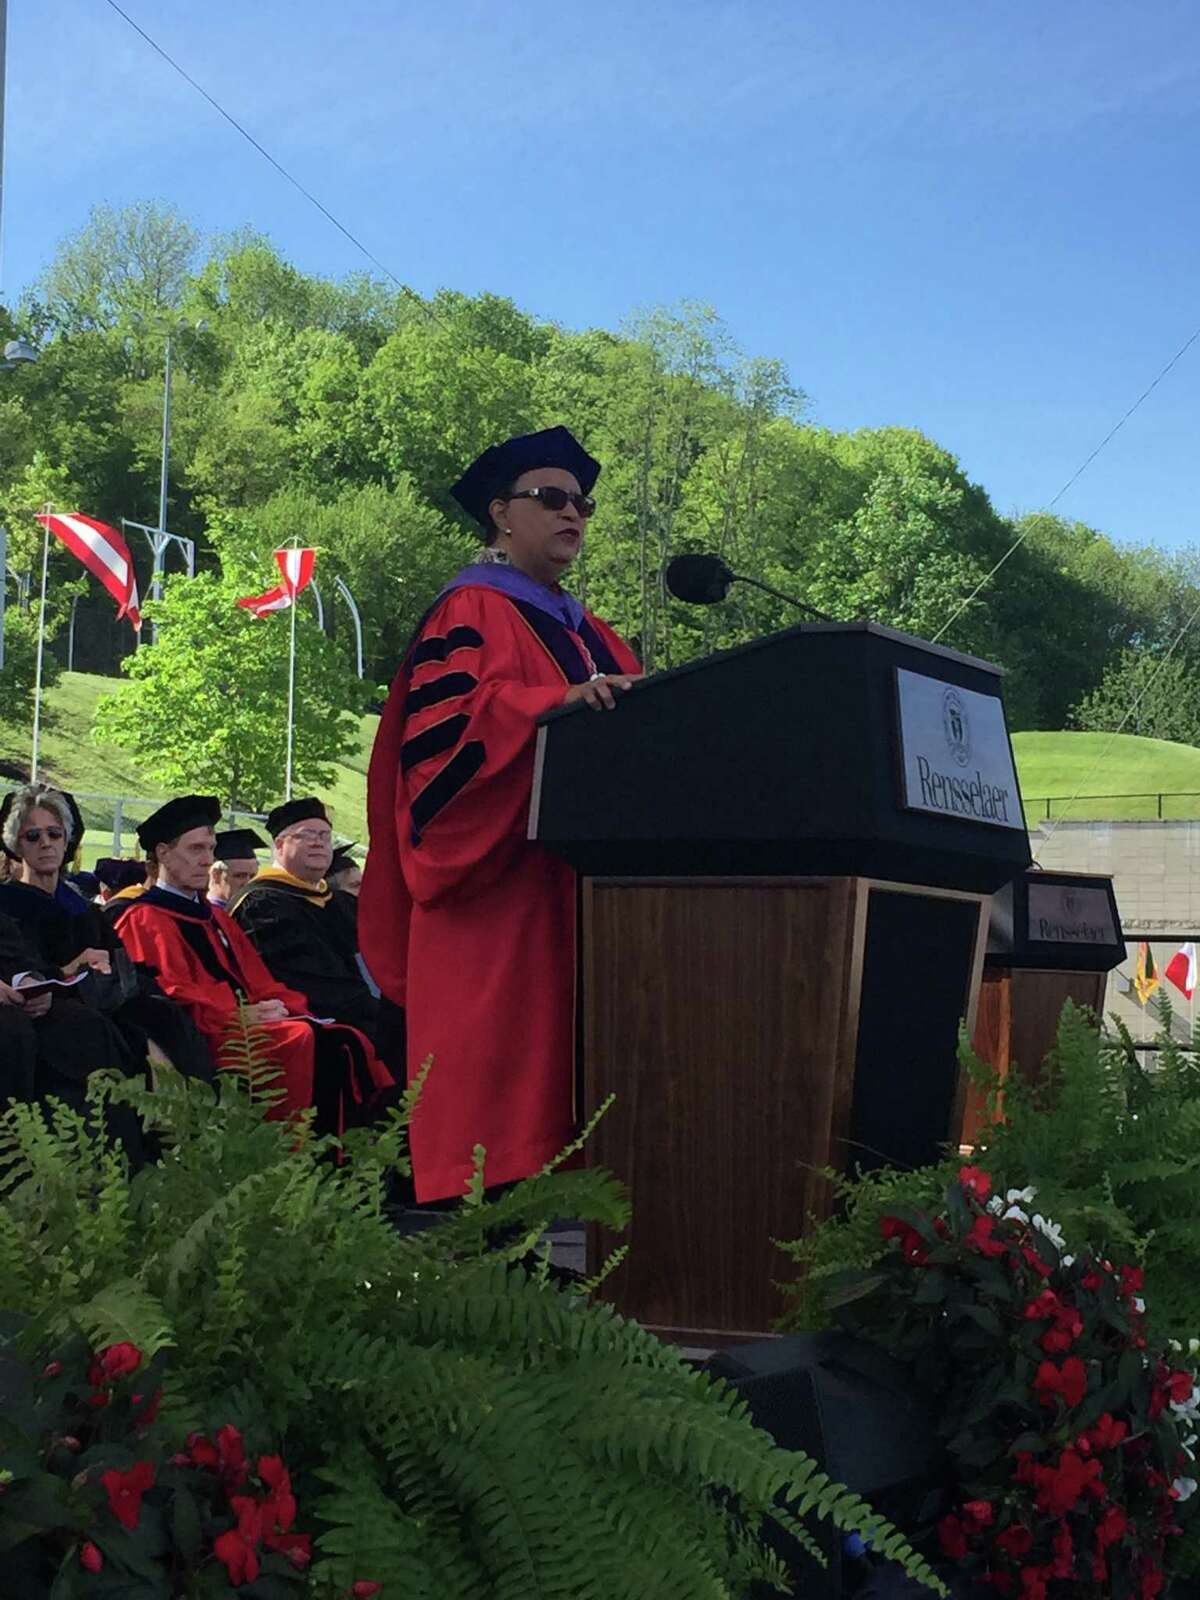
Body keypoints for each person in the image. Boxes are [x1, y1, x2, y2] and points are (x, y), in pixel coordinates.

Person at [361, 426, 640, 1203]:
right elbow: (444, 753)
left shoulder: (591, 632)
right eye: (550, 498)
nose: (573, 513)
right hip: (498, 900)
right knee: (503, 1124)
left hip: (585, 899)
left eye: (582, 502)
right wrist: (555, 705)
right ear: (500, 513)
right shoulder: (471, 611)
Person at [113, 794, 395, 1135]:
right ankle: (289, 1152)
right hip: (206, 1032)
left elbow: (258, 978)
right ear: (163, 853)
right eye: (195, 849)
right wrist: (236, 1016)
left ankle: (344, 1158)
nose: (207, 861)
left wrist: (283, 1006)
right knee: (303, 1038)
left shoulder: (215, 916)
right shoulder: (144, 918)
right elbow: (174, 993)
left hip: (249, 1024)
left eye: (210, 849)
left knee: (343, 1038)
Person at [0, 786, 212, 1083]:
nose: (46, 843)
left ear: (67, 840)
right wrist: (68, 970)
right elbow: (19, 969)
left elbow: (122, 959)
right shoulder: (7, 905)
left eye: (54, 834)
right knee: (93, 1030)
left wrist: (109, 964)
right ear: (16, 845)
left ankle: (197, 1117)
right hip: (53, 1011)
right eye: (33, 836)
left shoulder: (83, 909)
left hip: (102, 999)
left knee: (166, 1014)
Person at [229, 800, 380, 1042]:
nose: (318, 842)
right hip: (319, 1025)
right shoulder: (261, 906)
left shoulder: (341, 901)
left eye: (325, 835)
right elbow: (305, 983)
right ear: (279, 845)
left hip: (364, 1012)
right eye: (306, 835)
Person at [208, 828, 265, 910]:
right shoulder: (206, 915)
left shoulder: (253, 915)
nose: (248, 883)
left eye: (252, 876)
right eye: (240, 876)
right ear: (216, 875)